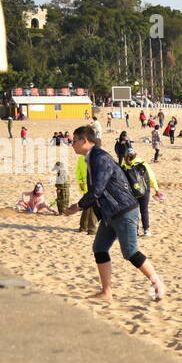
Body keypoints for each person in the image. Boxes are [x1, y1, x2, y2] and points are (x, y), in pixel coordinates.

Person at [63, 126, 165, 301]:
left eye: (74, 140)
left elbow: (98, 188)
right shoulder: (91, 158)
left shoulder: (100, 157)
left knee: (131, 252)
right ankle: (107, 292)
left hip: (123, 210)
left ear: (85, 141)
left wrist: (78, 206)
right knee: (100, 248)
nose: (72, 144)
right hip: (110, 213)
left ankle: (158, 283)